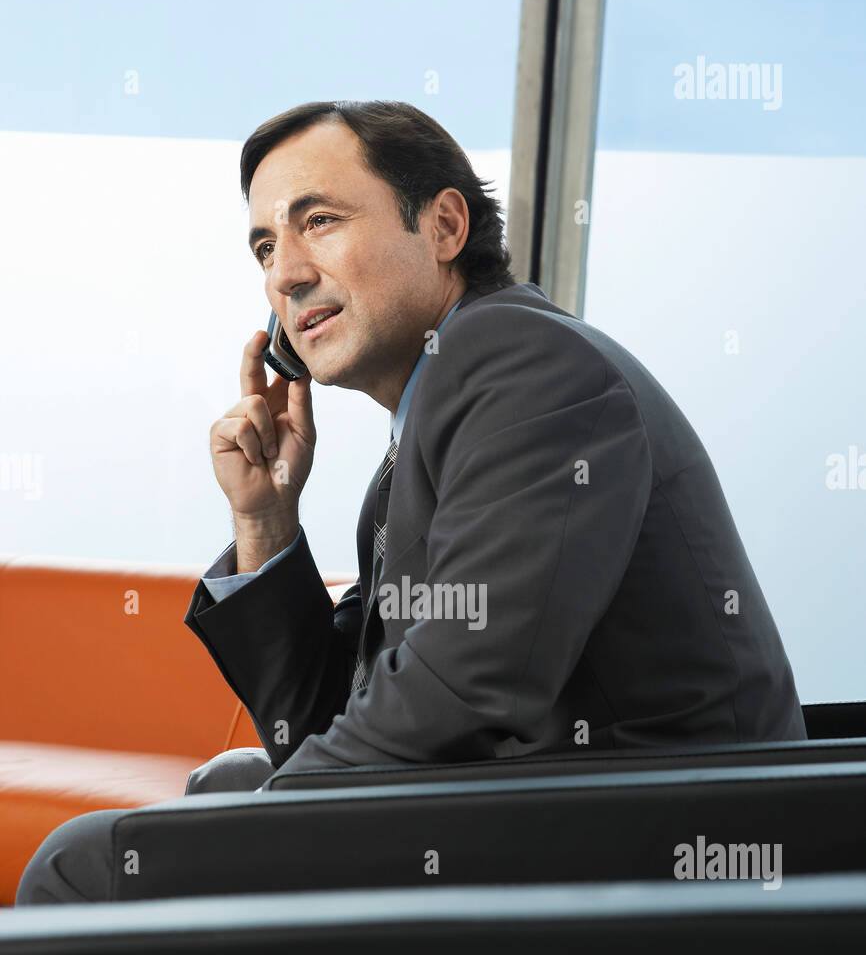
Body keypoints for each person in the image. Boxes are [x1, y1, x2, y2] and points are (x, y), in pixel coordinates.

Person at [15, 99, 806, 905]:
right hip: (541, 814)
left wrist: (257, 823)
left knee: (88, 864)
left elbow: (467, 690)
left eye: (317, 221)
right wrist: (265, 520)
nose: (283, 273)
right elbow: (317, 729)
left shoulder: (525, 365)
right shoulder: (434, 431)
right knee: (230, 780)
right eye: (264, 247)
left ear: (444, 227)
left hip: (643, 861)